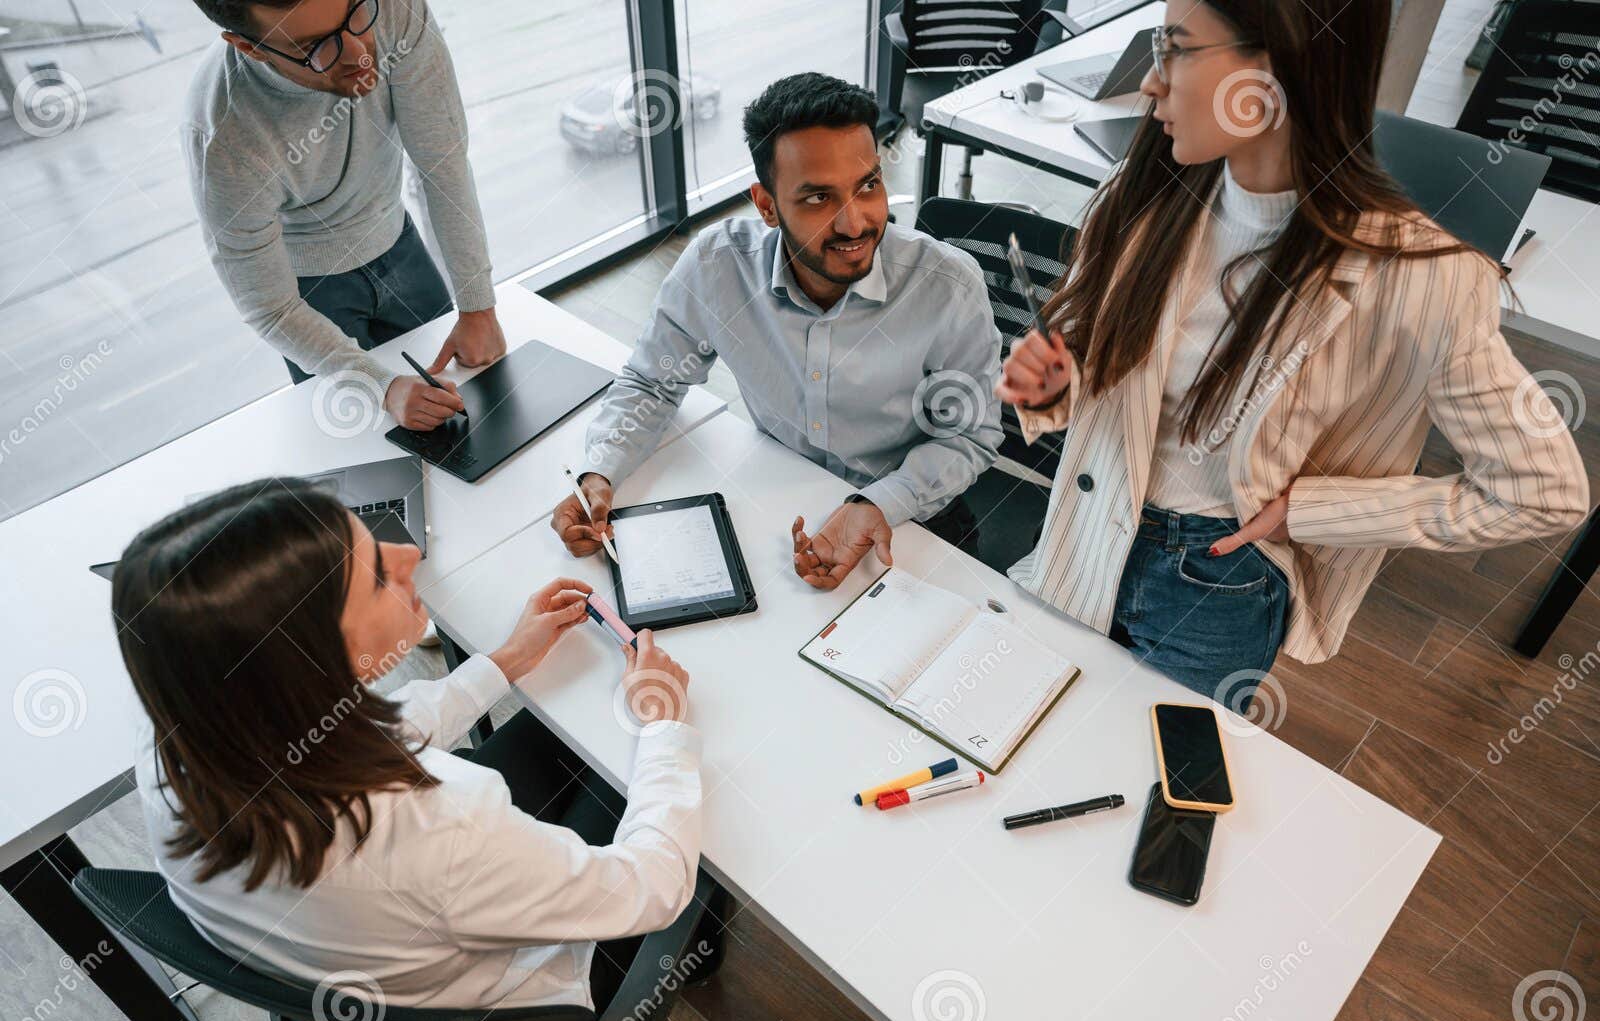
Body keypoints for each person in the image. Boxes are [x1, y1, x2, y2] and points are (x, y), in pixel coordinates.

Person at [997, 0, 1588, 711]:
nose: (1150, 85)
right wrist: (1053, 387)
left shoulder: (1427, 278)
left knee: (1168, 785)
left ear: (1276, 71)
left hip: (1216, 584)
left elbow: (1541, 491)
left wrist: (1312, 511)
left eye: (1174, 48)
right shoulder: (1144, 196)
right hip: (1082, 531)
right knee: (1040, 732)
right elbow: (1091, 360)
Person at [114, 479, 700, 1011]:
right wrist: (666, 726)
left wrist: (504, 660)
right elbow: (652, 887)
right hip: (519, 996)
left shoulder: (183, 726)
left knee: (578, 740)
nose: (409, 553)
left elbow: (357, 730)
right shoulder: (442, 825)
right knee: (688, 800)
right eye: (372, 575)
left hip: (362, 950)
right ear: (313, 654)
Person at [550, 72, 1004, 588]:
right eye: (818, 199)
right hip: (775, 504)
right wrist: (599, 474)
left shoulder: (947, 286)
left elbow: (971, 433)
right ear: (766, 206)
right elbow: (653, 381)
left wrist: (878, 503)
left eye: (868, 186)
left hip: (912, 517)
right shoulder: (717, 266)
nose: (855, 224)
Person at [184, 0, 505, 430]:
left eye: (355, 14)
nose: (362, 54)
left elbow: (441, 164)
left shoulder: (392, 9)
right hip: (309, 295)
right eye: (316, 46)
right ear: (250, 48)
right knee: (366, 445)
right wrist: (382, 388)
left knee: (472, 421)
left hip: (400, 243)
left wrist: (477, 306)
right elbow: (269, 307)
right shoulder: (223, 139)